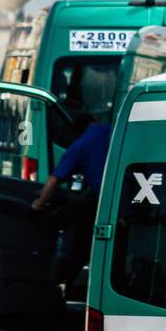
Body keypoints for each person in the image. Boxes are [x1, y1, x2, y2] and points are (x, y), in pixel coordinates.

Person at [31, 113, 111, 282]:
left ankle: (61, 280)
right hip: (127, 199)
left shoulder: (79, 146)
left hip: (103, 203)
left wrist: (38, 204)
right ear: (95, 120)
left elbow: (53, 180)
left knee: (80, 243)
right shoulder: (113, 131)